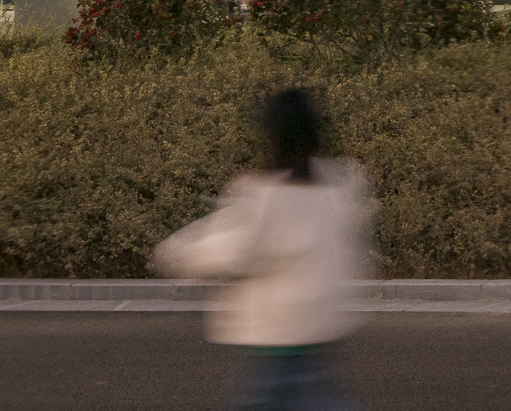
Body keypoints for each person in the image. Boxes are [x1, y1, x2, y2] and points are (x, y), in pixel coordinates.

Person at [156, 89, 376, 411]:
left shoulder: (266, 193)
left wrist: (176, 252)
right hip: (320, 330)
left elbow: (237, 251)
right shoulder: (340, 184)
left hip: (276, 337)